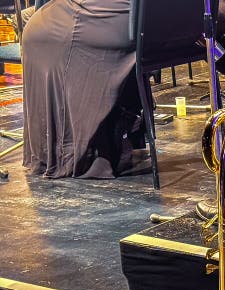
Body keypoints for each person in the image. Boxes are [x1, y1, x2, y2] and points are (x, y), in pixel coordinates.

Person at [21, 0, 142, 178]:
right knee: (35, 19)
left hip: (115, 21)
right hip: (151, 25)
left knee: (36, 33)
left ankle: (70, 150)